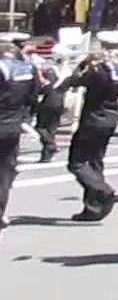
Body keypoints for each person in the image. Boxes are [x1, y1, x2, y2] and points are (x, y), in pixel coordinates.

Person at [64, 30, 118, 221]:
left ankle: (103, 190)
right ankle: (93, 208)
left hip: (93, 118)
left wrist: (83, 63)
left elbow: (74, 81)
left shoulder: (99, 70)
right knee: (95, 162)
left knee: (76, 163)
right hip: (110, 117)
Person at [0, 33, 38, 231]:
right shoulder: (27, 68)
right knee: (5, 171)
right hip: (13, 123)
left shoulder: (2, 68)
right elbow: (33, 96)